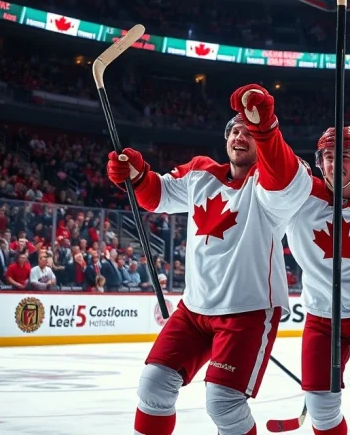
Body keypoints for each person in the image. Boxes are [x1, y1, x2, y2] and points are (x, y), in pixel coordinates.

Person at [106, 84, 311, 435]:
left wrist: (266, 127)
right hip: (195, 309)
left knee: (223, 401)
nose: (238, 136)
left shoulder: (270, 183)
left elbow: (286, 178)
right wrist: (137, 175)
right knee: (153, 387)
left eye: (248, 132)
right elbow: (156, 195)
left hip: (248, 310)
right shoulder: (201, 173)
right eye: (233, 131)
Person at [285, 126, 350, 435]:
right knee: (320, 408)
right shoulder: (301, 198)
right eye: (328, 157)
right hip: (323, 319)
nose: (334, 164)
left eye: (343, 156)